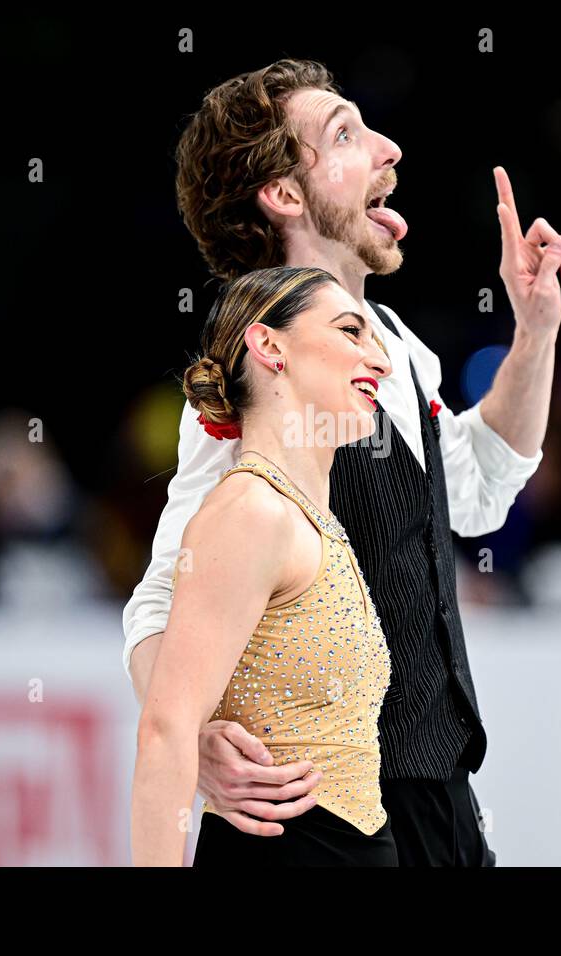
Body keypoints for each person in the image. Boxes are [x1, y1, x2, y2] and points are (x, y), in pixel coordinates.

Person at [125, 59, 561, 866]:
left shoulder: (393, 346)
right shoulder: (259, 378)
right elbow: (164, 593)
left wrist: (534, 332)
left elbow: (473, 492)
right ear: (286, 195)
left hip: (444, 803)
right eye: (345, 134)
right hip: (343, 810)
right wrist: (194, 738)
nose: (389, 148)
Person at [131, 265, 396, 866]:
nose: (378, 361)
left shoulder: (307, 519)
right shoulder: (249, 512)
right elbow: (165, 733)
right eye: (351, 331)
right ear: (270, 345)